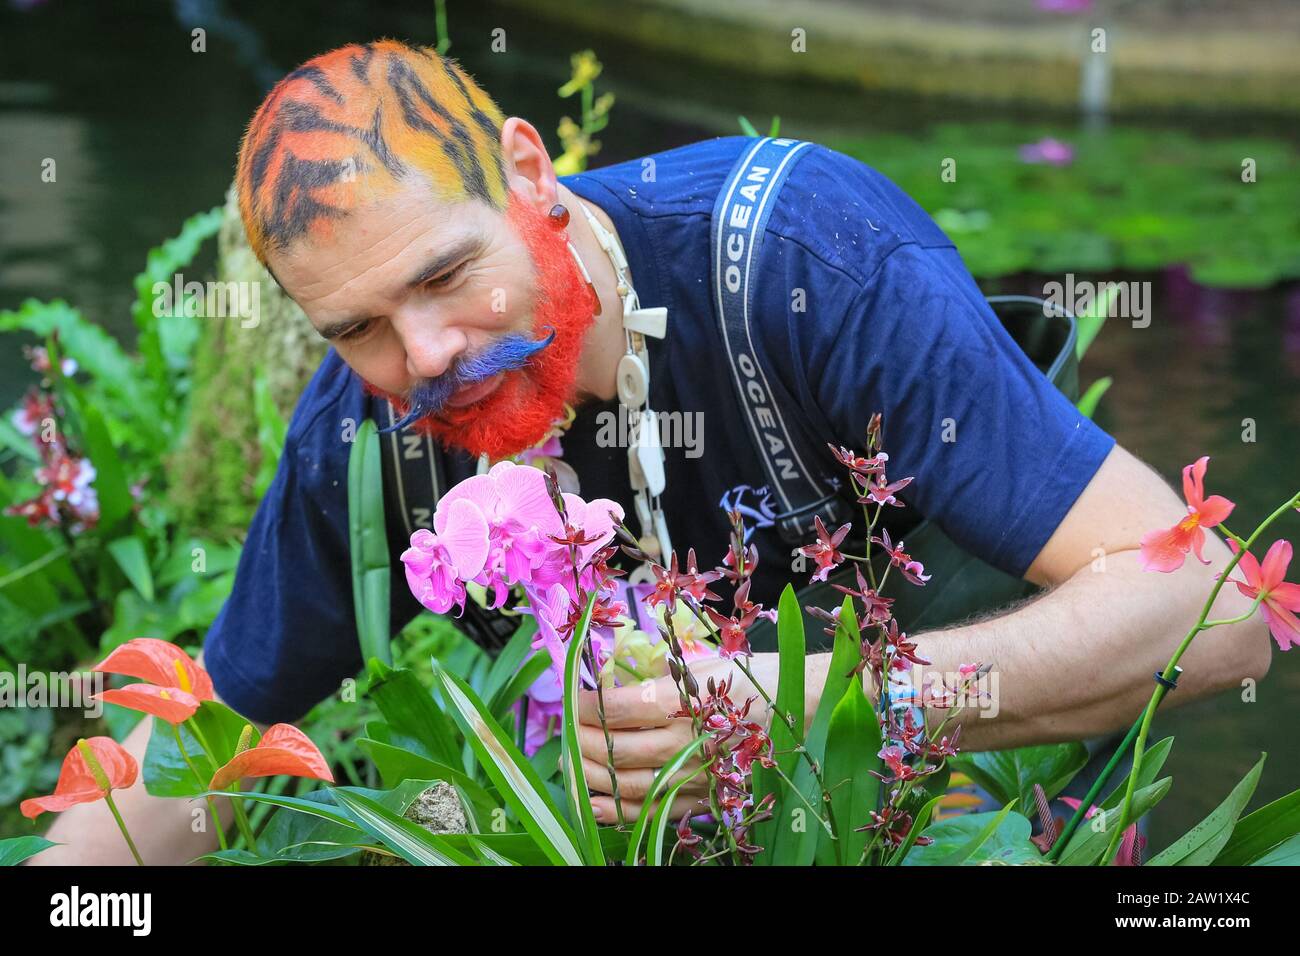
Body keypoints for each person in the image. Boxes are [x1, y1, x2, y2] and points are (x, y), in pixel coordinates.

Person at [33, 40, 1268, 862]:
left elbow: (1211, 615)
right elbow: (205, 736)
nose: (428, 356)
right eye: (355, 327)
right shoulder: (368, 432)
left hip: (989, 820)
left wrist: (807, 701)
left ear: (531, 171)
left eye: (447, 274)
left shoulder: (806, 263)